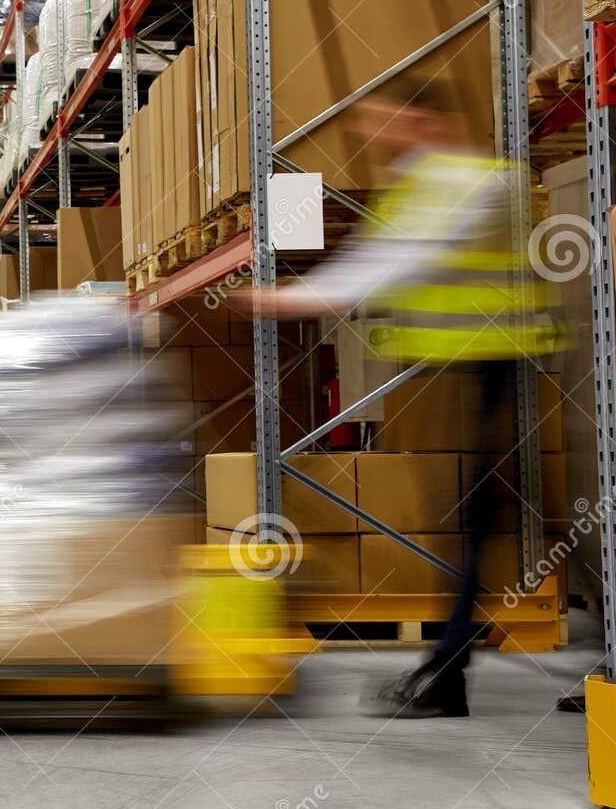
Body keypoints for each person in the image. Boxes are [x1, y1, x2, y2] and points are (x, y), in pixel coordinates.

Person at [239, 80, 563, 717]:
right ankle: (447, 672)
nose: (376, 136)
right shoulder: (419, 186)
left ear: (426, 121)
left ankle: (446, 674)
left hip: (501, 364)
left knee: (475, 522)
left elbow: (401, 261)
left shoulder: (475, 183)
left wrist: (293, 298)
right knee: (471, 520)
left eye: (388, 121)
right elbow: (383, 256)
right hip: (462, 365)